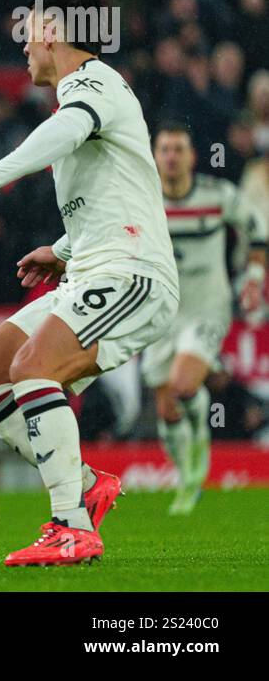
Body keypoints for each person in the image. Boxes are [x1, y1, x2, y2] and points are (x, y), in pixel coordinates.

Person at [0, 0, 178, 567]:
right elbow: (118, 194)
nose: (24, 45)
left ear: (52, 31)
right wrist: (62, 249)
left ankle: (71, 525)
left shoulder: (95, 84)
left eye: (29, 30)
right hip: (92, 266)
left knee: (32, 367)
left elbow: (65, 133)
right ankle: (86, 486)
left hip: (132, 275)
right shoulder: (86, 97)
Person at [141, 122, 265, 514]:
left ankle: (201, 448)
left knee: (182, 382)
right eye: (165, 150)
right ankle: (187, 477)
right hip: (161, 312)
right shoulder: (142, 200)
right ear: (155, 156)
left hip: (208, 307)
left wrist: (255, 277)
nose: (172, 157)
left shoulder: (217, 195)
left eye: (179, 149)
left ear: (193, 157)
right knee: (166, 408)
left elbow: (257, 230)